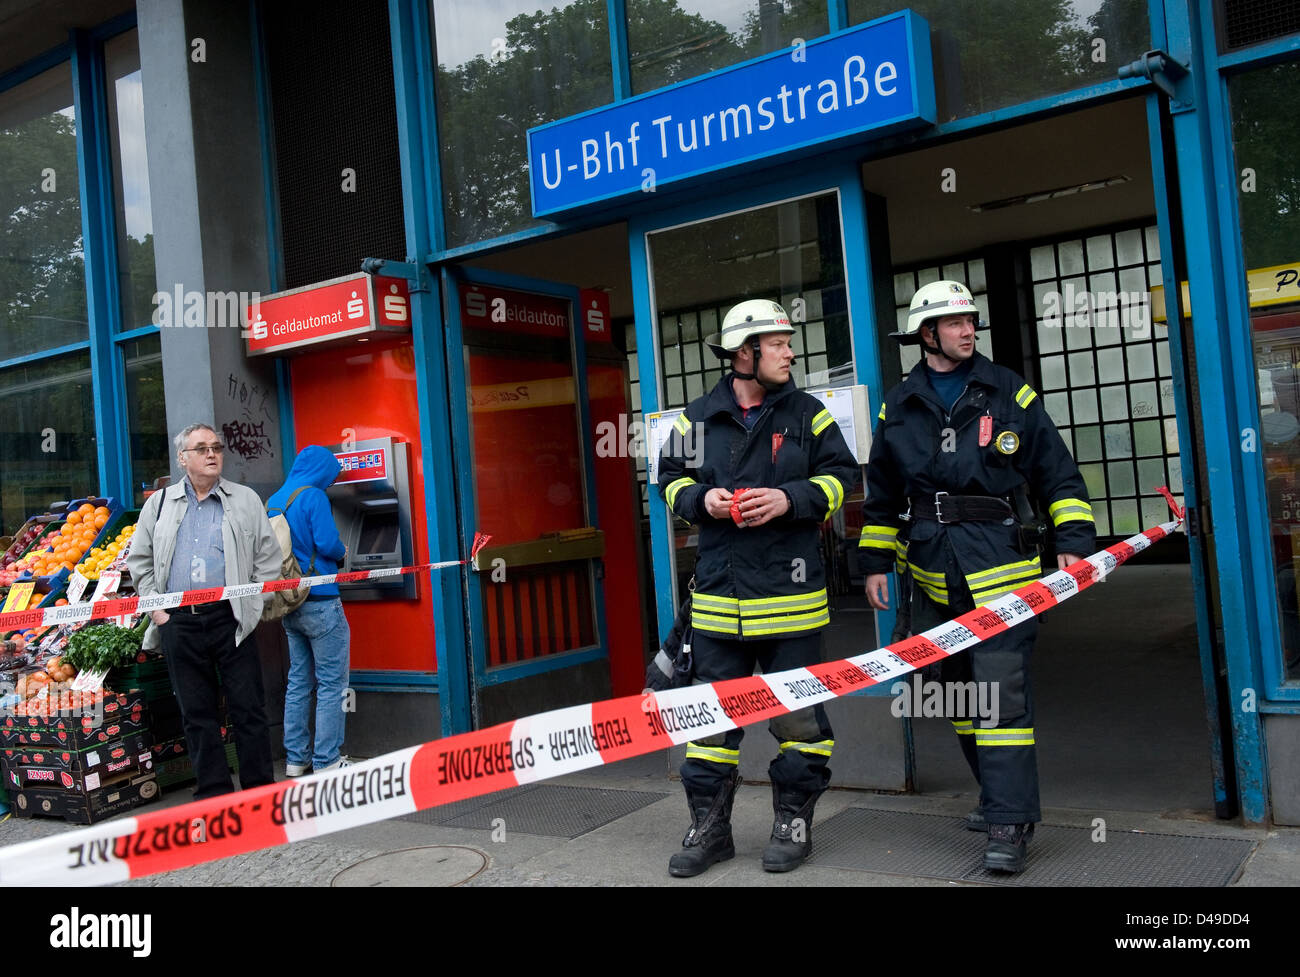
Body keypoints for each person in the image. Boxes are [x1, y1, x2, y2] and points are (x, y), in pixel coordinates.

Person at [859, 280, 1095, 873]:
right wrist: (875, 561)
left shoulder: (1008, 390)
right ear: (927, 334)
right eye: (956, 322)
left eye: (971, 320)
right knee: (957, 693)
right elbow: (883, 492)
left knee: (1000, 695)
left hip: (1002, 570)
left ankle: (1012, 823)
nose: (969, 330)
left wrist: (1073, 541)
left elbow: (1056, 474)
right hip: (933, 572)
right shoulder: (900, 403)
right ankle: (996, 797)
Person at [657, 298, 859, 877]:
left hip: (792, 603)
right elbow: (670, 481)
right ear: (745, 354)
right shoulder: (695, 420)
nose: (791, 351)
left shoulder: (807, 414)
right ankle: (709, 830)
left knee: (799, 723)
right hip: (719, 602)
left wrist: (791, 498)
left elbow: (844, 478)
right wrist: (702, 501)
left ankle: (792, 824)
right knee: (709, 723)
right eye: (779, 343)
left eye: (788, 343)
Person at [127, 423, 282, 798]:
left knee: (248, 707)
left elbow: (268, 558)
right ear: (183, 459)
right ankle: (214, 796)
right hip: (179, 621)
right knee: (197, 714)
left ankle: (260, 793)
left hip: (231, 618)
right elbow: (140, 562)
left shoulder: (244, 500)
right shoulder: (159, 504)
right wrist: (160, 614)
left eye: (216, 447)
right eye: (201, 449)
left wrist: (251, 604)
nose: (212, 454)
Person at [266, 446, 351, 776]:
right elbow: (328, 544)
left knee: (299, 682)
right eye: (331, 474)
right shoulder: (314, 496)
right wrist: (343, 550)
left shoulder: (275, 499)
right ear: (321, 470)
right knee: (331, 682)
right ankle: (328, 760)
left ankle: (296, 760)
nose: (331, 481)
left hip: (290, 601)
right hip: (321, 599)